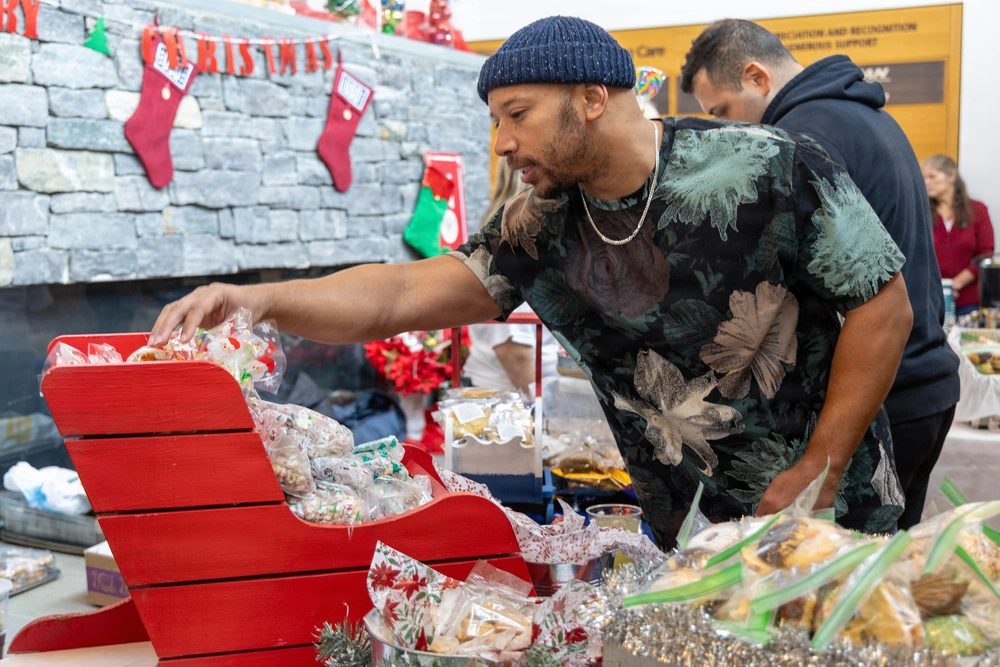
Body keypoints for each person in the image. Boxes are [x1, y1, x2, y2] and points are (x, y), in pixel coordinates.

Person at [150, 16, 914, 548]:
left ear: (591, 98)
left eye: (516, 114)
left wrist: (823, 465)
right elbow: (402, 295)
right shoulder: (538, 221)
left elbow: (884, 306)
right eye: (495, 121)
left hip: (828, 518)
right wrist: (259, 299)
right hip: (691, 535)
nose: (504, 142)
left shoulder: (768, 166)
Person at [681, 19, 959, 529]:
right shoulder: (865, 115)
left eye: (721, 111)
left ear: (757, 77)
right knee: (882, 587)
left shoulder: (799, 139)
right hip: (926, 379)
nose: (726, 130)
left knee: (831, 593)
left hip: (877, 398)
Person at [464, 160, 560, 396]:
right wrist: (541, 416)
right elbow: (513, 349)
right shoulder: (515, 238)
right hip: (508, 400)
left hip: (510, 391)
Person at [923, 154, 995, 317]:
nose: (926, 182)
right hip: (930, 300)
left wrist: (954, 285)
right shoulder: (922, 212)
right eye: (924, 177)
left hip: (970, 304)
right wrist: (938, 289)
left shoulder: (978, 210)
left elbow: (985, 254)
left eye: (932, 176)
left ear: (952, 176)